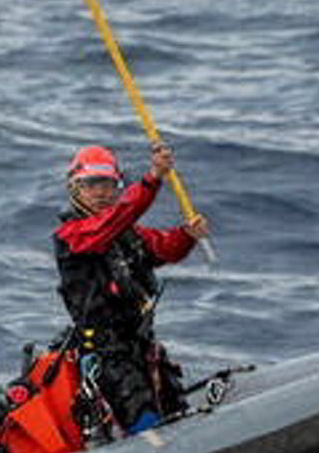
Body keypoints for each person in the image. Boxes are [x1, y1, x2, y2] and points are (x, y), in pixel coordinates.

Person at [53, 142, 210, 434]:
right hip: (108, 354)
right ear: (75, 188)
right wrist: (153, 178)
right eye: (92, 184)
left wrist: (187, 235)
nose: (102, 192)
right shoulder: (72, 235)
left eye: (109, 185)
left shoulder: (125, 231)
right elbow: (119, 215)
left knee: (177, 410)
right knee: (143, 418)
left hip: (142, 344)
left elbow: (163, 248)